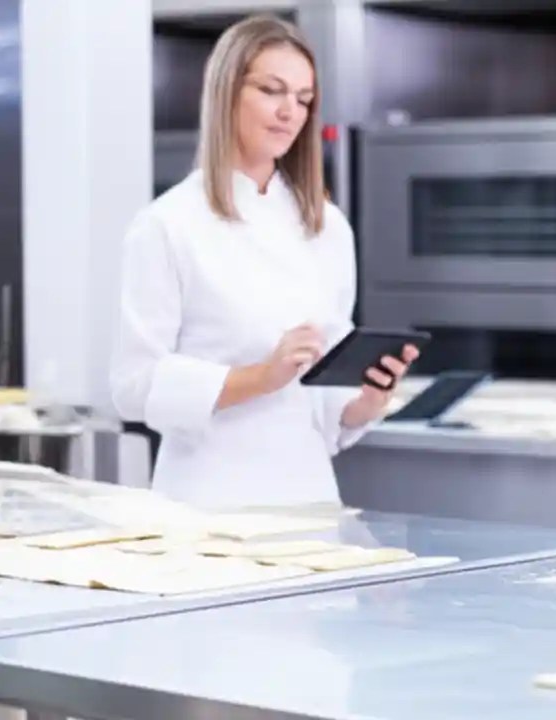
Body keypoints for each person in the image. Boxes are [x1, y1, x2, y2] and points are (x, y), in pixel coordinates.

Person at [111, 15, 418, 509]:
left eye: (303, 98)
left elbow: (325, 398)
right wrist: (261, 377)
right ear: (226, 92)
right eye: (272, 91)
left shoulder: (326, 226)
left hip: (309, 499)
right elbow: (134, 385)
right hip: (205, 502)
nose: (289, 112)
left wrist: (366, 401)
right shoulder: (167, 224)